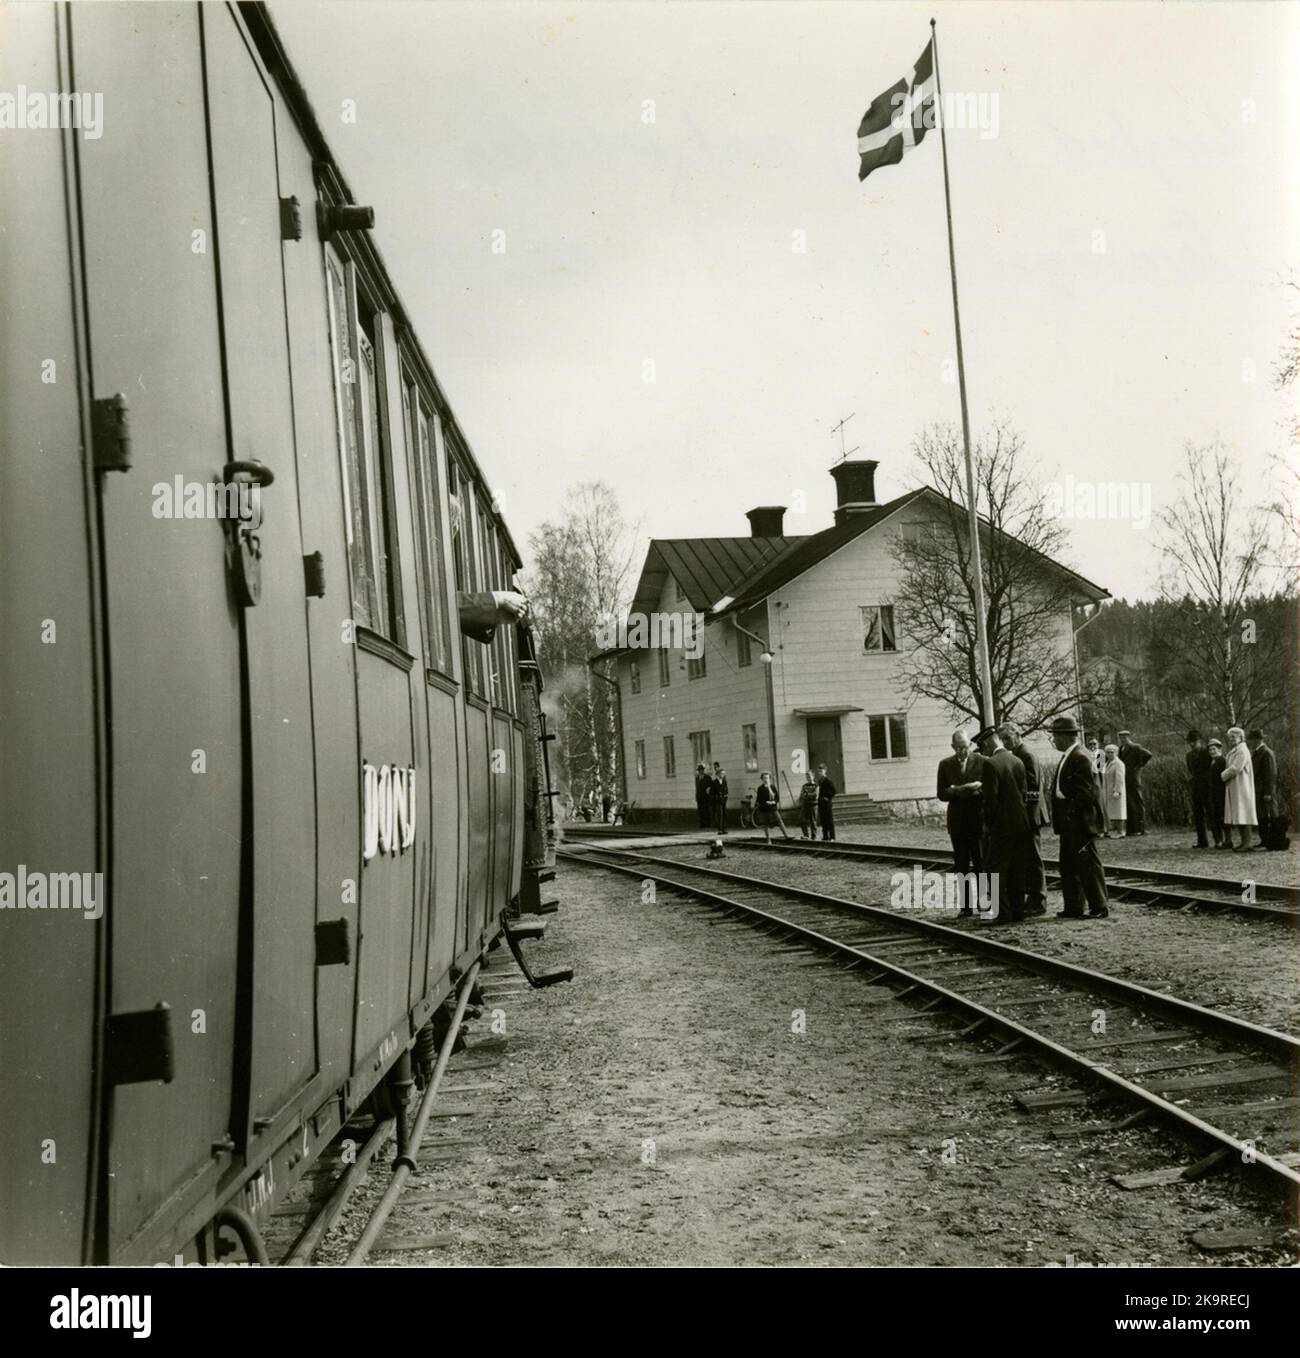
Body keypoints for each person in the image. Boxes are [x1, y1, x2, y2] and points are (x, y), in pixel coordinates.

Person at [1048, 715, 1109, 919]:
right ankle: (1074, 906)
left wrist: (1070, 812)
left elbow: (1087, 793)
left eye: (1055, 736)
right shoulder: (1073, 755)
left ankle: (1099, 906)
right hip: (1070, 821)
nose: (1054, 740)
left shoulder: (1080, 757)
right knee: (1069, 864)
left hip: (1080, 821)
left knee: (1087, 864)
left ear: (1064, 736)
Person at [973, 727, 1031, 924]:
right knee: (1017, 868)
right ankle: (1018, 911)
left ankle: (1002, 913)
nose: (983, 751)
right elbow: (1023, 793)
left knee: (993, 869)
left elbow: (991, 801)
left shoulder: (991, 764)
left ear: (989, 743)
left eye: (983, 747)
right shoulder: (1017, 761)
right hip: (1021, 823)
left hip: (1001, 825)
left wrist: (988, 826)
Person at [999, 721, 1048, 916]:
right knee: (1027, 858)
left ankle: (1039, 899)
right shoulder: (1018, 754)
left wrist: (1028, 816)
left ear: (1017, 735)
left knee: (1033, 858)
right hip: (1026, 816)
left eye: (1008, 738)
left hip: (1031, 816)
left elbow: (1033, 788)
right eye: (1003, 739)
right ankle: (1033, 897)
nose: (1006, 742)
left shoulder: (1026, 755)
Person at [936, 729, 984, 917]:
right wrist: (958, 790)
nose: (963, 752)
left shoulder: (982, 761)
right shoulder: (945, 765)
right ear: (953, 747)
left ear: (970, 746)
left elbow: (987, 788)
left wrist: (973, 790)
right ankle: (965, 907)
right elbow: (941, 793)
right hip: (957, 823)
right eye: (959, 748)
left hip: (977, 820)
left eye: (965, 747)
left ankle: (985, 903)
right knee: (962, 865)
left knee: (981, 863)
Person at [1220, 727, 1256, 851]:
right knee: (1239, 814)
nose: (1231, 740)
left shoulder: (1242, 751)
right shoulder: (1234, 751)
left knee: (1244, 814)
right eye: (1230, 737)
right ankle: (1243, 843)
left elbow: (1236, 768)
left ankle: (1247, 843)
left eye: (1234, 737)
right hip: (1236, 786)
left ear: (1241, 737)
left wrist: (1223, 775)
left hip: (1242, 787)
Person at [1246, 730, 1278, 849]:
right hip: (1258, 790)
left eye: (1251, 740)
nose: (1250, 742)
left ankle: (1271, 840)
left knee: (1268, 815)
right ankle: (1265, 840)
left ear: (1257, 740)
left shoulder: (1266, 753)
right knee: (1261, 815)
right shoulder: (1257, 752)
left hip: (1265, 791)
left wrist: (1268, 792)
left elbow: (1270, 774)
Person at [1117, 731, 1153, 836]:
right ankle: (1132, 829)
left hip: (1134, 779)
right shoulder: (1121, 749)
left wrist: (1139, 765)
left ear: (1128, 737)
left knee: (1137, 803)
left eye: (1124, 737)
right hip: (1125, 779)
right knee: (1129, 804)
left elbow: (1148, 754)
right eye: (1121, 738)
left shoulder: (1135, 747)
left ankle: (1141, 828)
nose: (1122, 739)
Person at [1184, 729, 1213, 849]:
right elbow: (1191, 771)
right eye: (1190, 742)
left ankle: (1219, 839)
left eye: (1194, 741)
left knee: (1211, 812)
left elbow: (1210, 769)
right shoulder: (1189, 756)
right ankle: (1202, 840)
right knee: (1198, 813)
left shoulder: (1207, 752)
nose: (1192, 744)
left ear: (1199, 741)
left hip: (1206, 786)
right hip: (1195, 786)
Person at [753, 771, 789, 843]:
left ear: (769, 779)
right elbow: (759, 800)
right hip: (764, 809)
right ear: (762, 779)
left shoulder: (773, 787)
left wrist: (774, 802)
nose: (766, 779)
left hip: (773, 808)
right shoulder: (760, 788)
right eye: (764, 778)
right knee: (765, 824)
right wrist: (766, 802)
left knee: (779, 821)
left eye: (767, 778)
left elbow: (777, 797)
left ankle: (786, 836)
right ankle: (768, 839)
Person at [1207, 737, 1228, 848]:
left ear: (1219, 750)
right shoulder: (1211, 762)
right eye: (1210, 750)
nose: (1212, 752)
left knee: (1221, 816)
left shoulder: (1222, 761)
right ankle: (1218, 840)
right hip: (1213, 793)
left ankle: (1225, 840)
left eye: (1214, 749)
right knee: (1214, 817)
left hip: (1220, 792)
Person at [1101, 744, 1126, 836]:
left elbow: (1120, 778)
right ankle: (1111, 831)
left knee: (1119, 811)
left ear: (1116, 753)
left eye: (1111, 752)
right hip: (1107, 791)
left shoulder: (1119, 764)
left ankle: (1121, 831)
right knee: (1111, 811)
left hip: (1116, 791)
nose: (1109, 754)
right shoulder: (1106, 764)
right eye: (1107, 752)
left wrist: (1117, 790)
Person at [815, 763, 837, 841]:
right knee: (823, 820)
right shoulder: (820, 781)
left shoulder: (828, 781)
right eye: (819, 771)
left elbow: (834, 791)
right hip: (821, 803)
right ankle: (825, 836)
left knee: (829, 820)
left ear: (825, 771)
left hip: (827, 803)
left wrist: (828, 797)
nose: (820, 772)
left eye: (822, 771)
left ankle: (832, 836)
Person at [1085, 734, 1106, 804]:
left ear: (1098, 744)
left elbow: (1101, 769)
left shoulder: (1101, 753)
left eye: (1094, 744)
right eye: (1090, 744)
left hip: (1099, 776)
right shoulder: (1087, 754)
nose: (1092, 746)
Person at [710, 761, 729, 834]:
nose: (723, 775)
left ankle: (724, 828)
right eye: (722, 774)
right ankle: (720, 829)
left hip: (723, 800)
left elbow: (726, 790)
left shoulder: (724, 782)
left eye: (724, 774)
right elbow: (712, 792)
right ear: (718, 774)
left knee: (724, 814)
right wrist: (716, 798)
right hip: (718, 801)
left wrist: (726, 796)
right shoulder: (714, 782)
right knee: (719, 815)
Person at [798, 773, 820, 839]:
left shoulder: (816, 786)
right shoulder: (804, 786)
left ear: (813, 777)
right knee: (801, 819)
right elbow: (802, 795)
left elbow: (816, 796)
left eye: (810, 777)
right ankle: (806, 835)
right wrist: (810, 795)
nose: (808, 778)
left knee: (813, 821)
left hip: (813, 805)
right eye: (807, 777)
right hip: (805, 804)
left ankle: (814, 836)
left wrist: (807, 794)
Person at [694, 764, 711, 830]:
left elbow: (711, 786)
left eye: (702, 770)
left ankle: (708, 823)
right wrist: (696, 796)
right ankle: (702, 824)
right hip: (699, 797)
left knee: (706, 810)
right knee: (700, 810)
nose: (701, 771)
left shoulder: (707, 777)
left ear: (703, 770)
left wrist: (709, 789)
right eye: (700, 770)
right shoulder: (697, 778)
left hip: (706, 797)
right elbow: (697, 788)